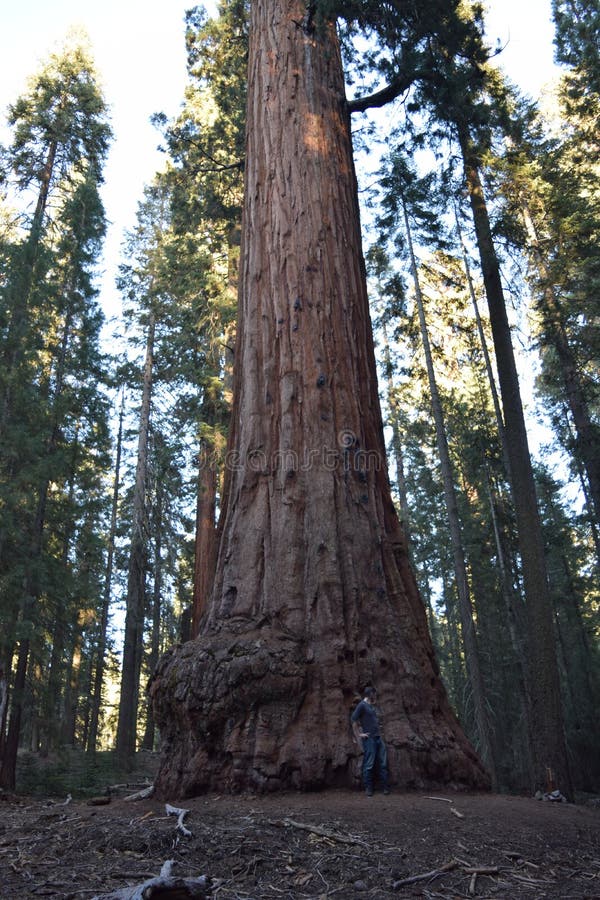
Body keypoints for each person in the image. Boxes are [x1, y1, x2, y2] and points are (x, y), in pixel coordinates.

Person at [351, 686, 390, 796]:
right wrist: (360, 734)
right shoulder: (361, 706)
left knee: (383, 763)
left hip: (378, 738)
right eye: (374, 693)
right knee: (369, 764)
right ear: (370, 694)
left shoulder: (370, 706)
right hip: (369, 739)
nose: (375, 695)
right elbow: (353, 719)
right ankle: (368, 788)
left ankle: (385, 787)